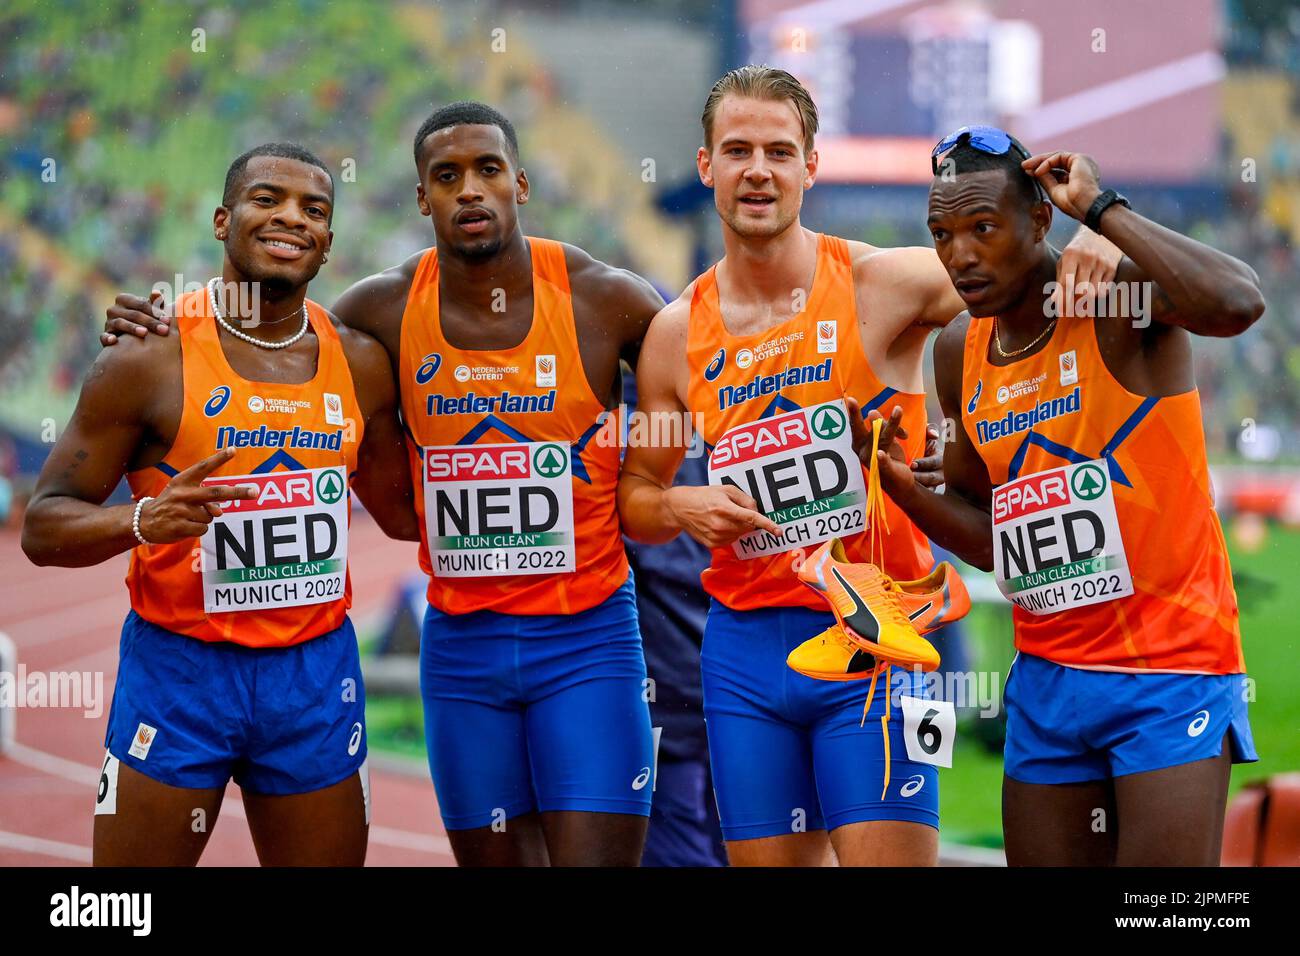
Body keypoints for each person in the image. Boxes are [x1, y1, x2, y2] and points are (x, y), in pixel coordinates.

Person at [618, 66, 1119, 867]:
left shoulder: (886, 284)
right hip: (744, 656)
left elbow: (1029, 277)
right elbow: (637, 496)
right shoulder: (676, 335)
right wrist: (682, 510)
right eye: (737, 150)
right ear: (706, 165)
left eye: (779, 152)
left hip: (880, 643)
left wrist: (1095, 233)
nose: (758, 170)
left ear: (812, 167)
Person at [866, 125, 1264, 865]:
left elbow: (1237, 303)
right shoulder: (957, 350)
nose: (959, 255)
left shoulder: (1114, 298)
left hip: (1169, 673)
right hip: (1047, 682)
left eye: (983, 228)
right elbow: (993, 540)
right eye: (942, 233)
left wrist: (1103, 211)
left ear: (1040, 218)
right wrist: (903, 491)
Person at [24, 143, 417, 866]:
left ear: (328, 244)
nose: (291, 218)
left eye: (314, 210)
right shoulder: (148, 356)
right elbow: (43, 525)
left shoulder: (361, 363)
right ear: (221, 218)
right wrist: (140, 520)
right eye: (268, 199)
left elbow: (403, 516)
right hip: (181, 675)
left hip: (313, 676)